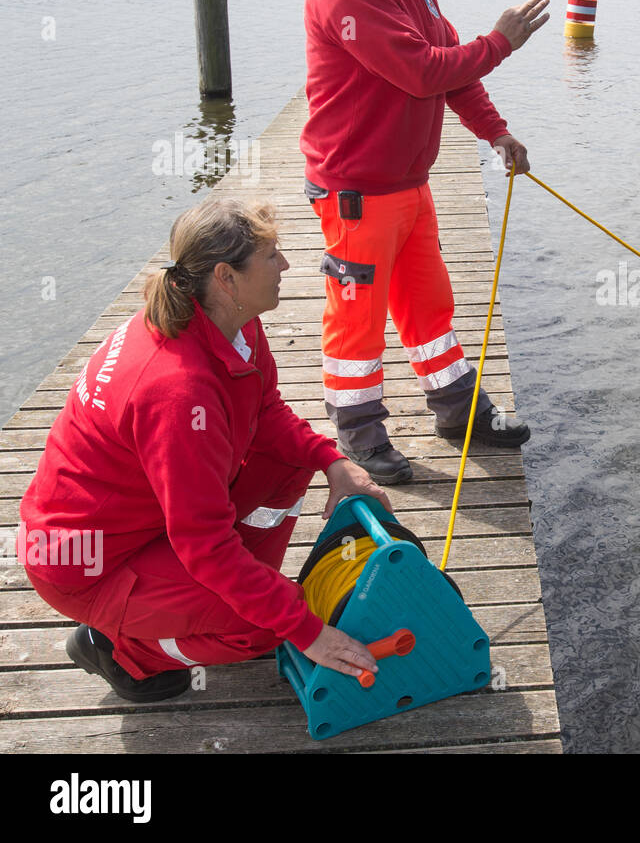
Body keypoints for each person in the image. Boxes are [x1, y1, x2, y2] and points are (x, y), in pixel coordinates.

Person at [21, 198, 387, 702]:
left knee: (288, 463)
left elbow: (265, 414)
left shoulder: (231, 322)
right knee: (265, 628)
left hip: (145, 525)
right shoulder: (177, 390)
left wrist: (333, 461)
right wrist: (303, 628)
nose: (285, 265)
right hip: (87, 564)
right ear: (226, 277)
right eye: (271, 256)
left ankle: (232, 597)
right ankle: (118, 649)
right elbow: (205, 543)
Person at [300, 0, 550, 485]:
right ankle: (360, 434)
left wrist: (495, 131)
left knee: (430, 309)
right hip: (356, 190)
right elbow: (421, 72)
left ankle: (460, 415)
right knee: (356, 321)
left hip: (408, 184)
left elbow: (451, 69)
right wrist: (500, 42)